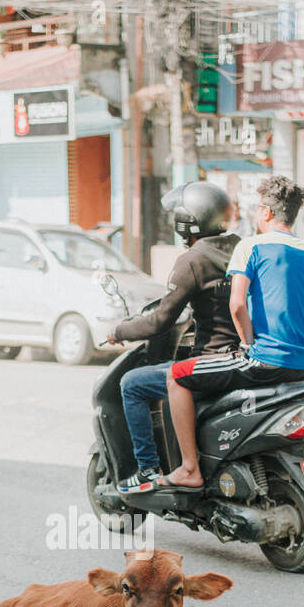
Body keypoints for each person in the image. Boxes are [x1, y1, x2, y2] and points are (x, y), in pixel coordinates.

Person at [164, 174, 304, 491]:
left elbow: (236, 306)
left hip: (265, 363)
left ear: (267, 212)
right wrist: (299, 343)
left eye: (257, 209)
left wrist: (249, 343)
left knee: (176, 375)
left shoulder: (251, 246)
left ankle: (190, 468)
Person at [107, 182, 240, 494]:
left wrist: (119, 330)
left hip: (210, 360)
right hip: (242, 356)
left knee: (133, 384)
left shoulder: (192, 260)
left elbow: (160, 321)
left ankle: (147, 470)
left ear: (185, 222)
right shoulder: (240, 248)